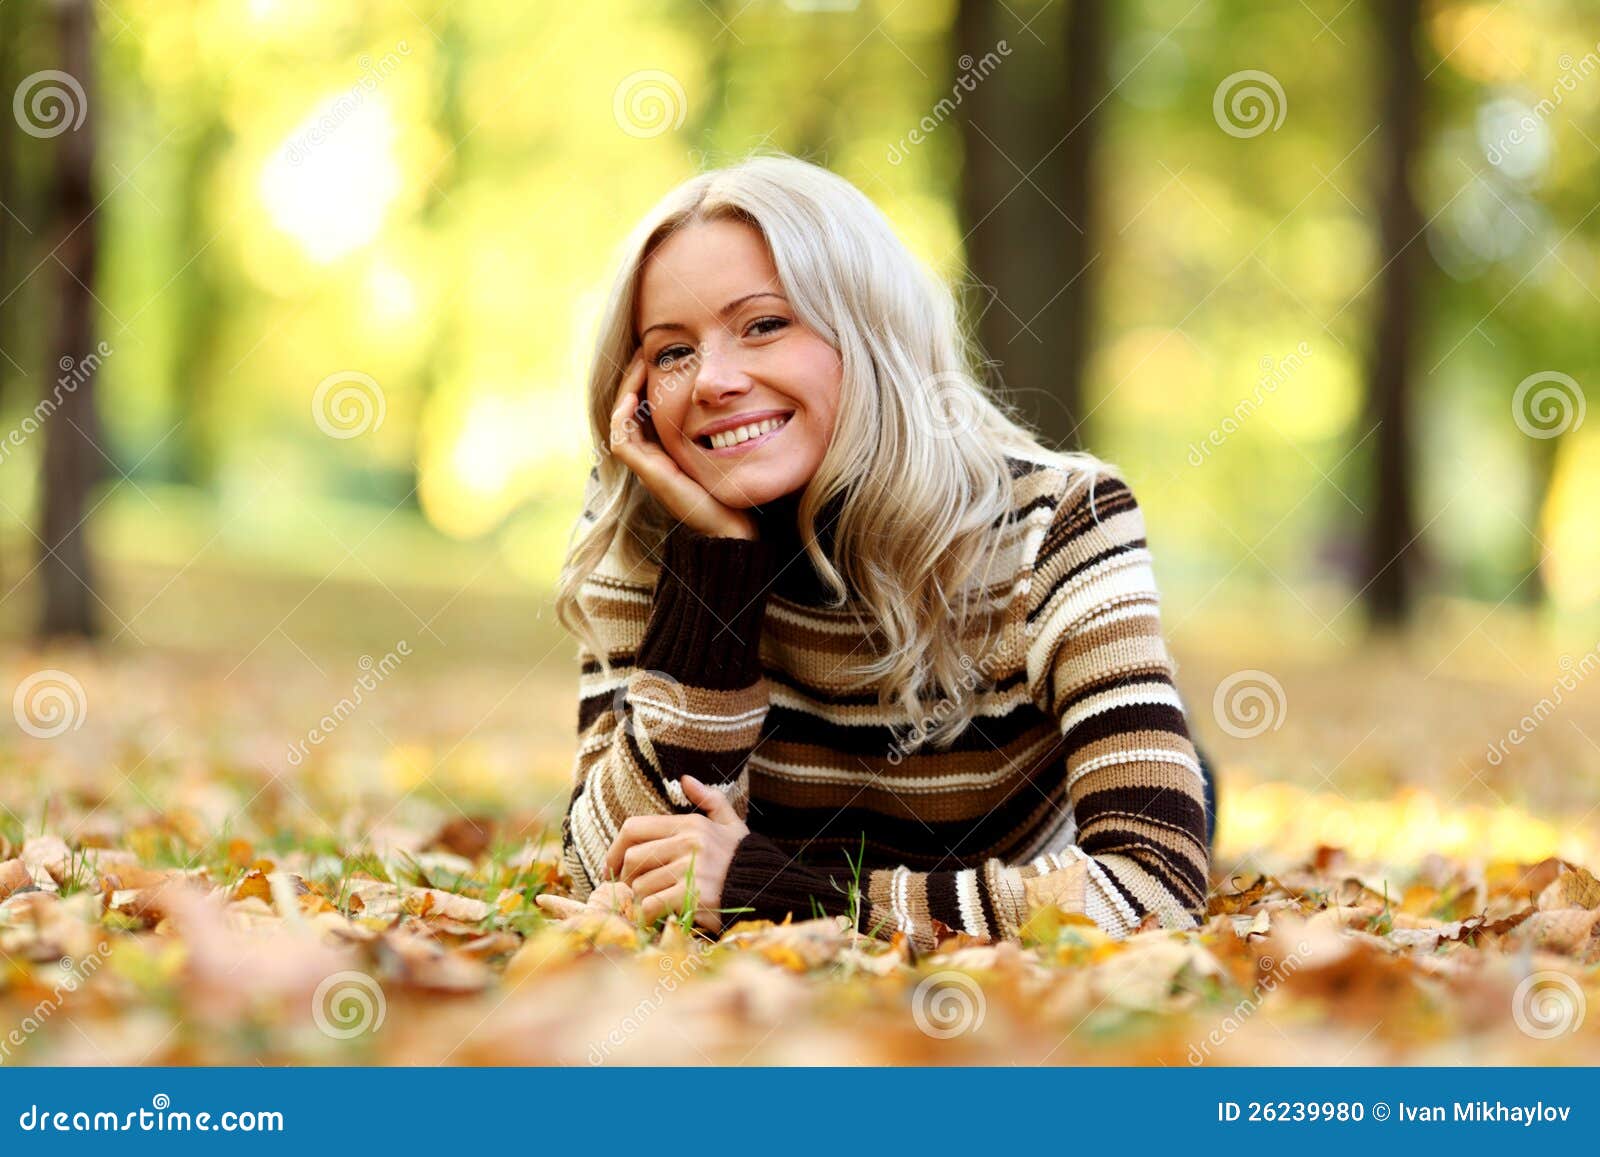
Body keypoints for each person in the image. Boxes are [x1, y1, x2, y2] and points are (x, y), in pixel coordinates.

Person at [553, 152, 1214, 951]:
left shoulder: (1060, 520)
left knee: (1188, 785)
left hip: (1033, 834)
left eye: (764, 323)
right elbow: (610, 878)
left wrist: (780, 890)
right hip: (946, 888)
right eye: (671, 351)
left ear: (868, 333)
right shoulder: (655, 537)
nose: (713, 381)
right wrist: (717, 568)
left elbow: (1150, 886)